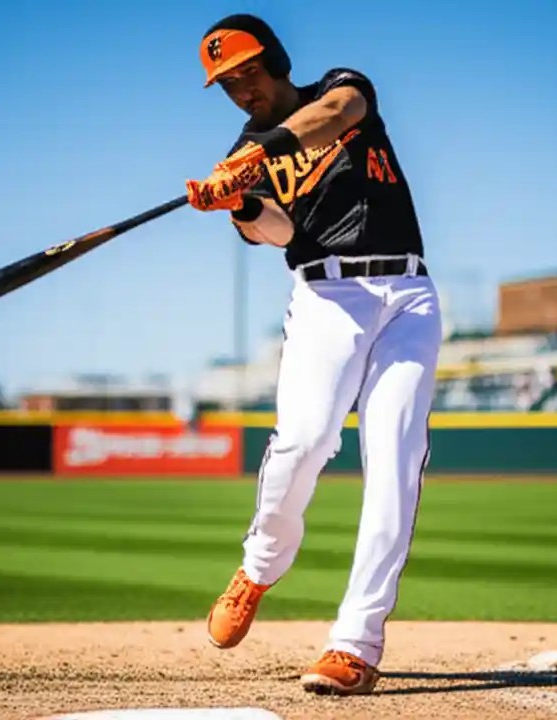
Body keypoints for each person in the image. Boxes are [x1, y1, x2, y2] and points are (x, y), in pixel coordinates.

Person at [184, 13, 443, 696]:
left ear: (274, 61)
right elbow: (279, 230)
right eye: (227, 85)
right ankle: (259, 567)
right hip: (329, 298)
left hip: (409, 292)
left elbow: (336, 114)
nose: (241, 92)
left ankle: (354, 644)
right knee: (303, 443)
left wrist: (259, 152)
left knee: (395, 457)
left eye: (246, 74)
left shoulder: (339, 87)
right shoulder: (245, 147)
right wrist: (240, 203)